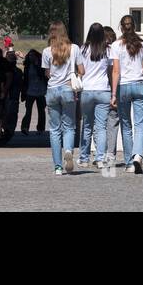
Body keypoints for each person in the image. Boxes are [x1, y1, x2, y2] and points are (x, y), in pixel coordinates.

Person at [110, 14, 143, 174]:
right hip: (140, 86)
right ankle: (138, 157)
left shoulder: (116, 45)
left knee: (126, 125)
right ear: (134, 26)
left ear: (121, 27)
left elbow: (115, 71)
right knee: (140, 124)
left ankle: (129, 163)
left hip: (124, 87)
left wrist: (113, 94)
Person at [42, 21, 83, 175]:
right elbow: (82, 69)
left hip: (52, 90)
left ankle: (58, 167)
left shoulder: (47, 51)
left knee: (54, 129)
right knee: (69, 126)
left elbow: (47, 74)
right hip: (68, 89)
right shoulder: (74, 49)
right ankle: (68, 150)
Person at [77, 23, 113, 170]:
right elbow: (111, 72)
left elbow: (80, 70)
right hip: (103, 90)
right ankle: (100, 159)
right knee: (101, 127)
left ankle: (84, 158)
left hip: (87, 90)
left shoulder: (83, 49)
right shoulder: (107, 50)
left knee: (86, 125)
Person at [102, 25, 121, 165]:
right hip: (116, 88)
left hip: (102, 89)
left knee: (100, 123)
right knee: (113, 122)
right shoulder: (116, 50)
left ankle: (101, 153)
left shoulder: (98, 51)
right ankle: (111, 153)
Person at [21, 48, 47, 133]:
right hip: (30, 91)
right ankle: (25, 127)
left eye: (33, 55)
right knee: (28, 110)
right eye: (30, 56)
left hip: (40, 91)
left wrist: (37, 65)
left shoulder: (41, 65)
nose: (31, 57)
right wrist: (23, 92)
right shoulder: (27, 66)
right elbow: (25, 79)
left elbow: (43, 76)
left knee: (41, 111)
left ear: (37, 56)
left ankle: (41, 128)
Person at [0, 49, 22, 142]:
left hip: (10, 95)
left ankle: (7, 132)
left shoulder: (4, 71)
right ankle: (8, 131)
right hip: (13, 96)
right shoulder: (18, 71)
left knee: (7, 114)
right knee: (11, 115)